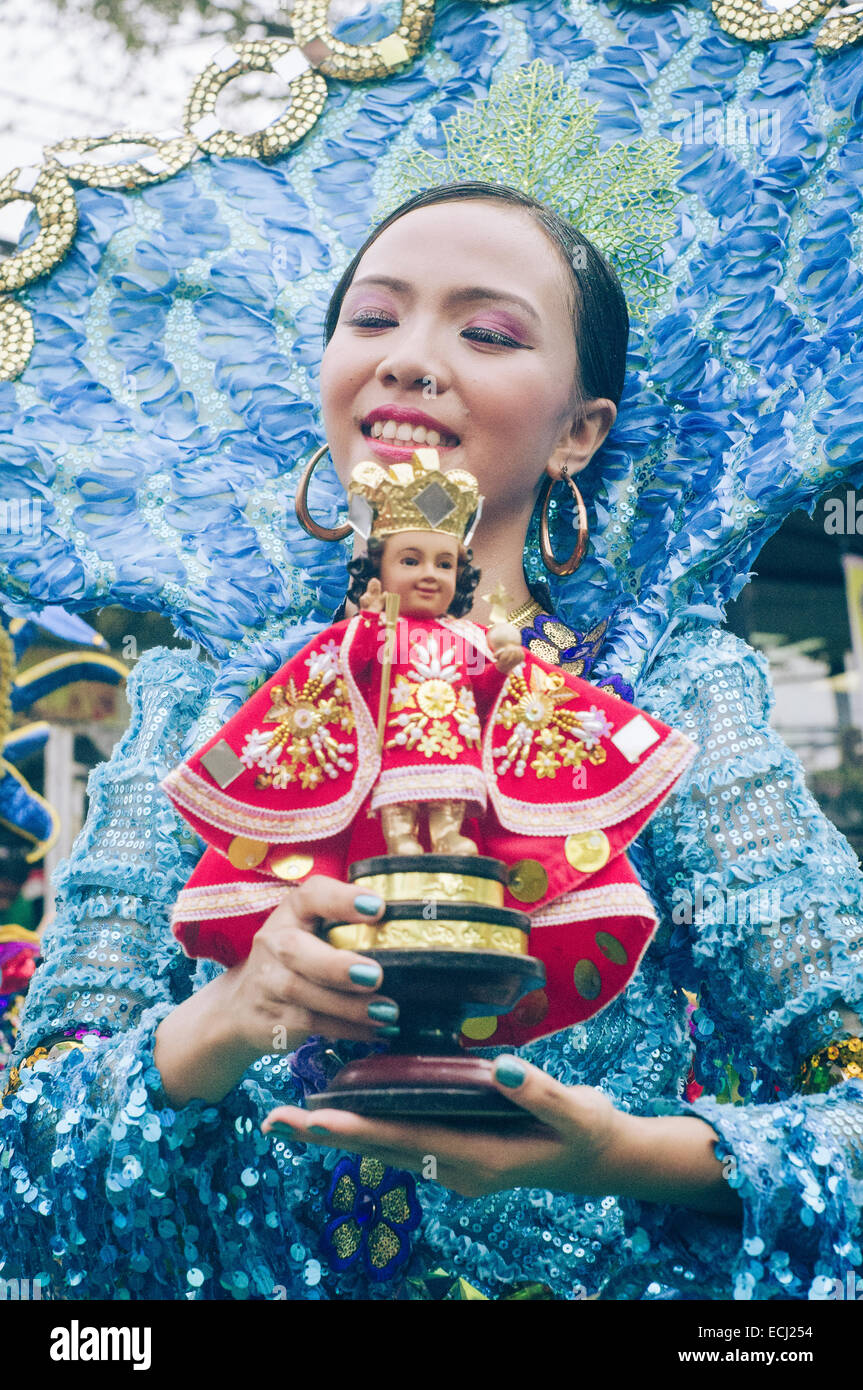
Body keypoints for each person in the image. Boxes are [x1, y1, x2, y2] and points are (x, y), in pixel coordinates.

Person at [2, 182, 862, 1301]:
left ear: (579, 431)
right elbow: (27, 1165)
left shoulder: (665, 704)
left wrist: (619, 1156)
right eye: (372, 319)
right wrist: (231, 1014)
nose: (410, 358)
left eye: (487, 330)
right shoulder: (207, 711)